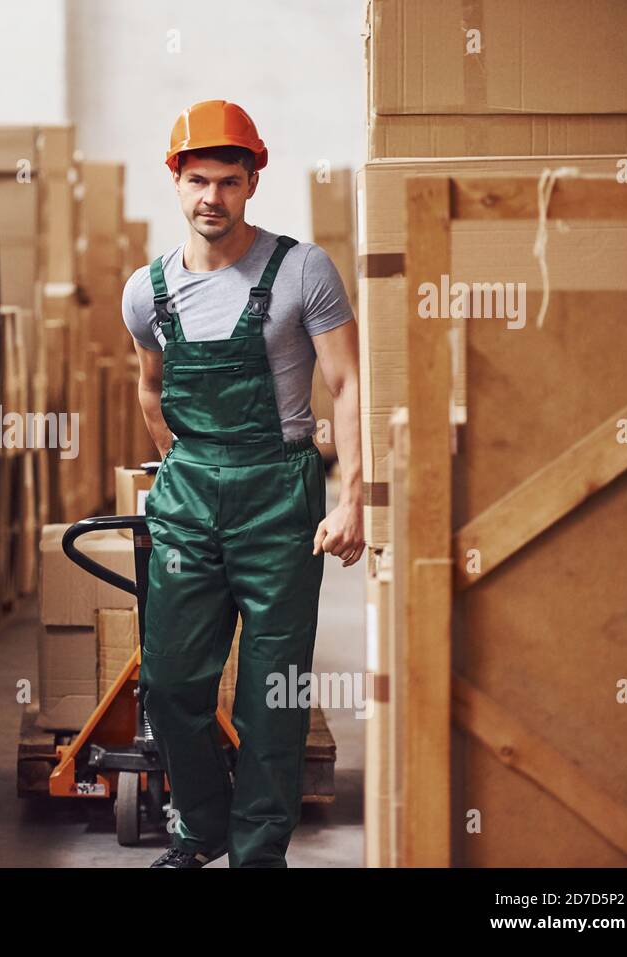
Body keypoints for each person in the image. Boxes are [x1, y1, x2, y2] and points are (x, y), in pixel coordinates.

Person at [121, 99, 365, 868]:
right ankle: (203, 825)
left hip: (279, 494)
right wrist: (182, 467)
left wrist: (355, 496)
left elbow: (349, 382)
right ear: (176, 181)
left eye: (228, 181)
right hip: (192, 493)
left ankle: (257, 852)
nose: (211, 198)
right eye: (197, 180)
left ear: (253, 181)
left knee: (273, 694)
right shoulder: (147, 290)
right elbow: (151, 389)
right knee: (169, 684)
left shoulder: (302, 269)